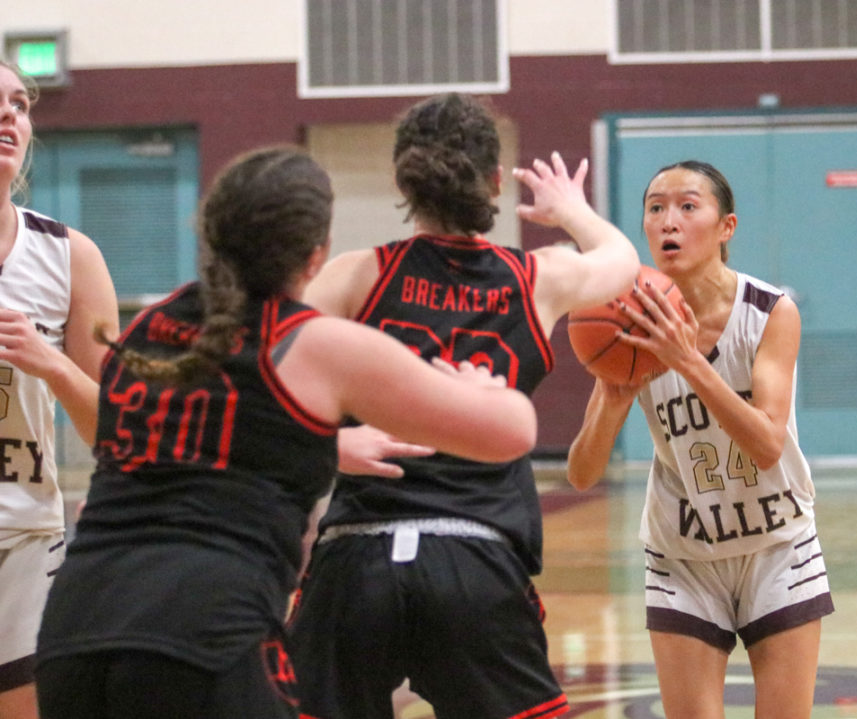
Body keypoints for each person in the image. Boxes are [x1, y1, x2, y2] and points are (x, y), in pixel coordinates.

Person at [30, 145, 540, 719]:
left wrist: (327, 446)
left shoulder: (150, 329)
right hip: (204, 633)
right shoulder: (313, 343)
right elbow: (511, 433)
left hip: (73, 630)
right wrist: (483, 387)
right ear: (316, 256)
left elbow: (209, 445)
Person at [288, 92, 640, 719]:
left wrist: (331, 445)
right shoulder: (539, 278)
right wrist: (571, 211)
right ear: (497, 181)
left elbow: (255, 377)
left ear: (404, 180)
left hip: (352, 563)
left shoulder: (355, 275)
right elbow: (621, 261)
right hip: (473, 561)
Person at [566, 160, 833, 719]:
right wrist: (612, 406)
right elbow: (582, 473)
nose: (670, 221)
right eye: (656, 208)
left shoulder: (769, 313)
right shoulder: (628, 318)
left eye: (689, 206)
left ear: (726, 227)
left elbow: (766, 444)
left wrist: (688, 362)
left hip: (777, 544)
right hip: (683, 552)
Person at [0, 59, 119, 719]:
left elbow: (118, 433)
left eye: (19, 103)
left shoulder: (70, 256)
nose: (9, 116)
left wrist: (54, 365)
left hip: (23, 540)